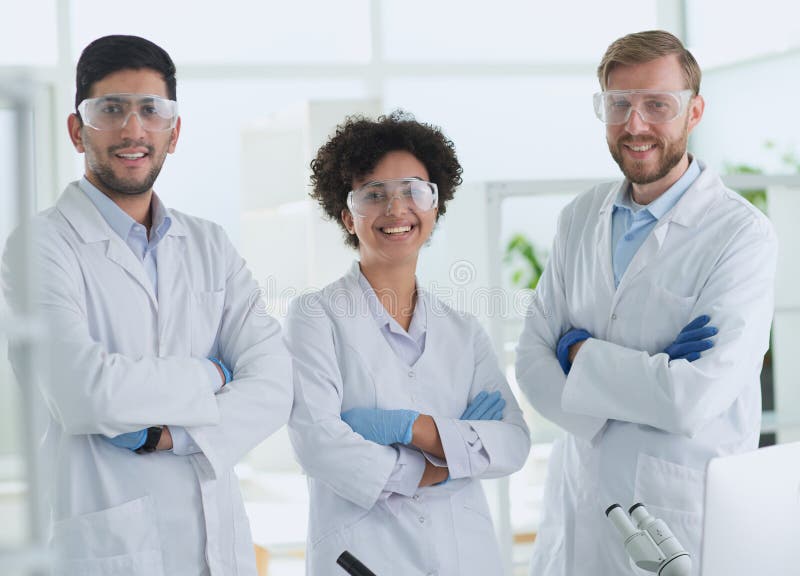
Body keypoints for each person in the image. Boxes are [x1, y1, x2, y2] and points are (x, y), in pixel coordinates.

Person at [1, 35, 292, 575]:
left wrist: (171, 436)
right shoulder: (39, 246)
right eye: (110, 110)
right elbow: (85, 393)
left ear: (173, 132)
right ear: (76, 129)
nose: (133, 131)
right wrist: (210, 373)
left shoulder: (210, 244)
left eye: (150, 112)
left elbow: (274, 385)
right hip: (107, 543)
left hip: (219, 545)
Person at [515, 30, 777, 576]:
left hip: (676, 516)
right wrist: (647, 375)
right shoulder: (579, 217)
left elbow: (692, 400)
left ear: (695, 111)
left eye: (658, 105)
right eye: (619, 105)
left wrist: (582, 355)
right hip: (580, 506)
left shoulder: (741, 235)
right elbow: (532, 364)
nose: (635, 125)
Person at [286, 111, 531, 575]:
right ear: (346, 214)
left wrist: (413, 428)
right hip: (364, 557)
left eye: (414, 191)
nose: (397, 210)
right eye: (374, 194)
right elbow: (320, 446)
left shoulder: (463, 330)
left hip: (466, 556)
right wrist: (447, 459)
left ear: (435, 206)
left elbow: (515, 443)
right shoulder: (315, 317)